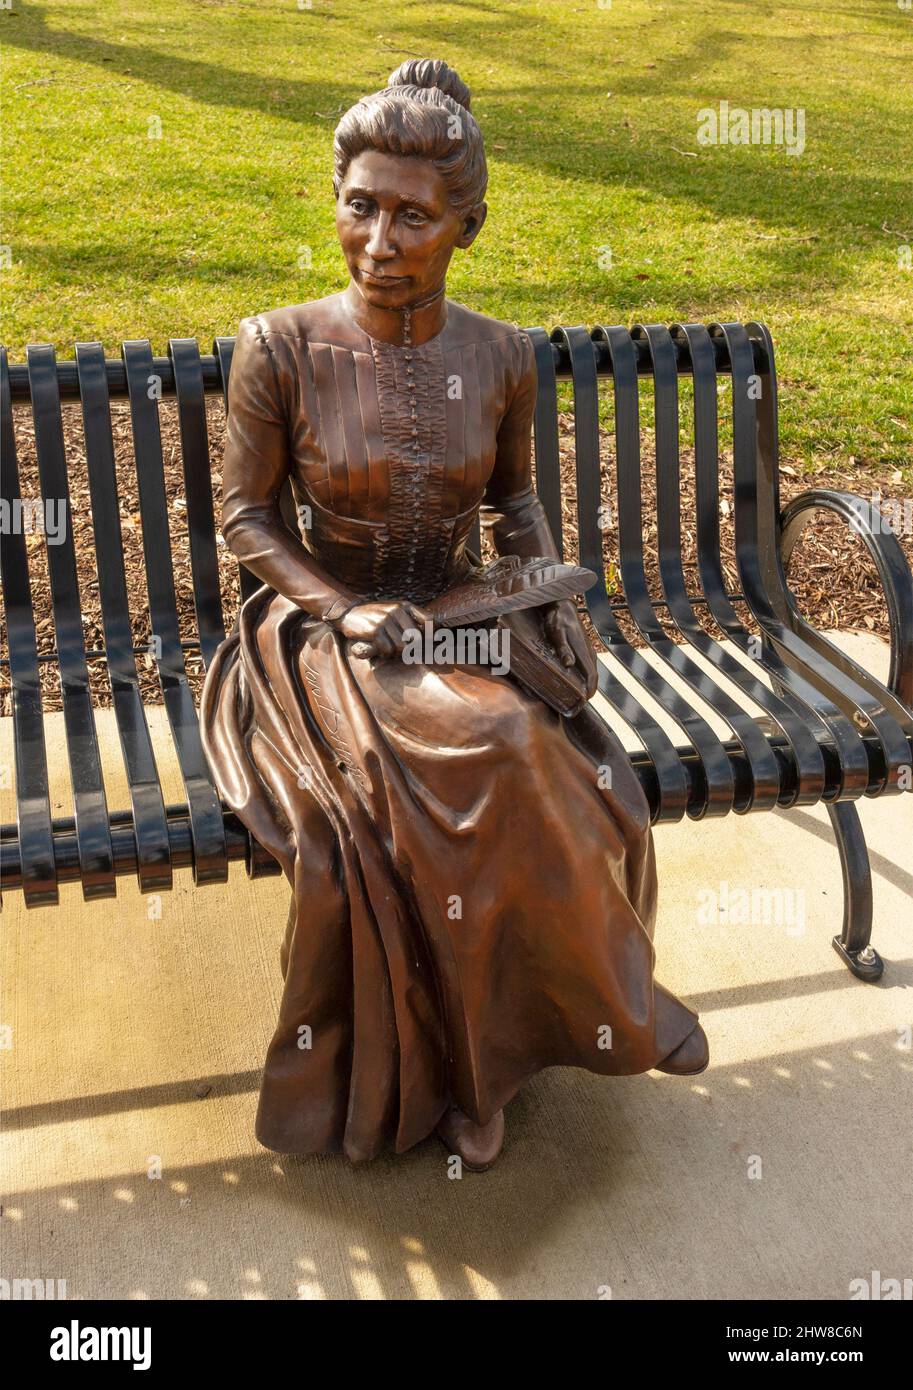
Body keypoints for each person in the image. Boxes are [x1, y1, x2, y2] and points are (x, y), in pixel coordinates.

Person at [201, 57, 708, 1173]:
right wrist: (344, 611)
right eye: (360, 205)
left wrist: (544, 582)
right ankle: (571, 1025)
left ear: (467, 226)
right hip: (320, 641)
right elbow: (244, 520)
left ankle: (490, 1069)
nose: (379, 238)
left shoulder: (500, 355)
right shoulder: (277, 347)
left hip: (462, 619)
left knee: (556, 766)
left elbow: (517, 501)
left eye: (413, 216)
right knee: (497, 744)